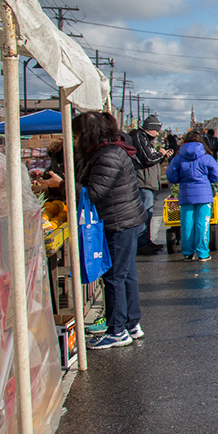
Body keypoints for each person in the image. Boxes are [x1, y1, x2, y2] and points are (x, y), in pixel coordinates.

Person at [74, 111, 149, 350]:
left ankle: (117, 329)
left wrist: (64, 185)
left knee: (115, 276)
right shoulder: (113, 151)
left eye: (77, 134)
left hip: (118, 222)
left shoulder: (109, 155)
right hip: (125, 219)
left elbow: (94, 192)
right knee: (125, 274)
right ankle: (130, 323)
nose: (75, 140)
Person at [166, 130, 218, 262]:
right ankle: (202, 253)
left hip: (186, 194)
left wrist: (181, 178)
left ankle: (187, 253)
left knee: (187, 224)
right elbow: (216, 176)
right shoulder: (207, 157)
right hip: (204, 194)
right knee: (202, 223)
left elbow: (171, 176)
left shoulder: (178, 158)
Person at [127, 114, 171, 256]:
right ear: (150, 129)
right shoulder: (139, 137)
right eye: (156, 130)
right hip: (142, 182)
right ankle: (142, 243)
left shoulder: (144, 138)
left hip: (147, 182)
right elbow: (147, 159)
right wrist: (160, 154)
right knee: (144, 214)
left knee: (148, 213)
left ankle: (146, 241)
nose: (157, 134)